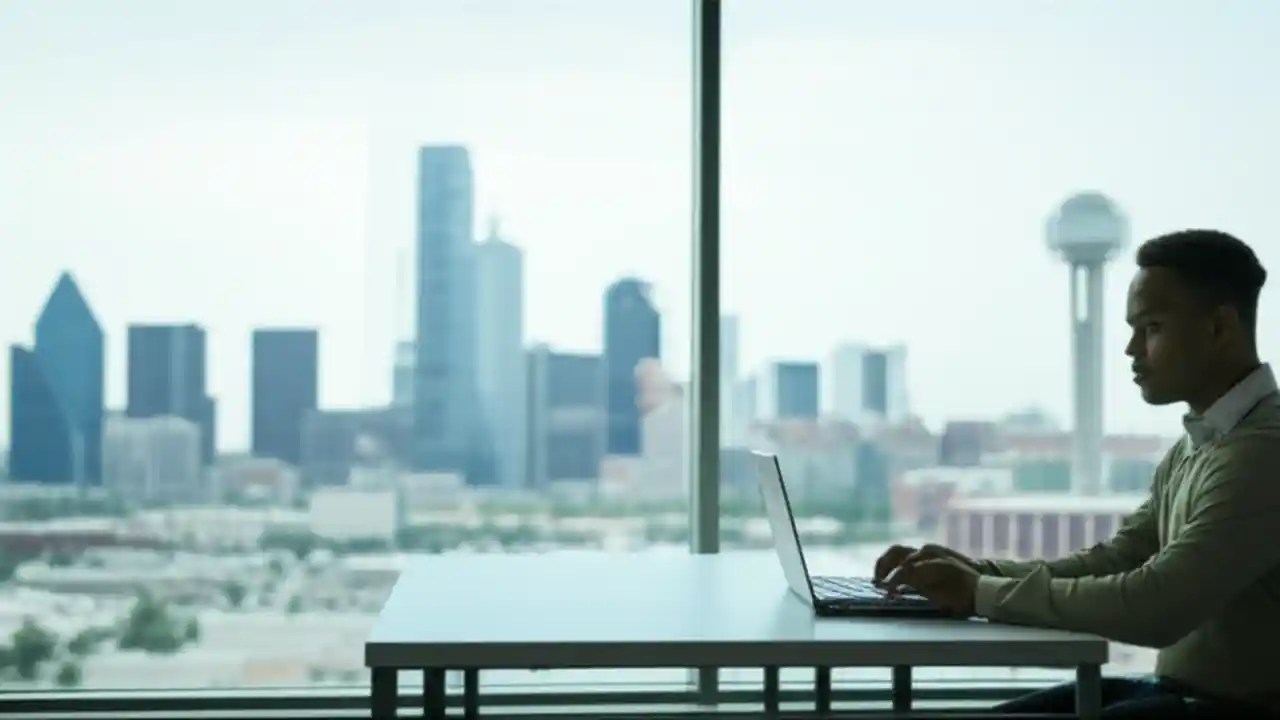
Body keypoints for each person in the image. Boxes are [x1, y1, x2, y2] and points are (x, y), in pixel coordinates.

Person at [874, 229, 1280, 718]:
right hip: (1177, 693)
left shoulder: (1263, 450)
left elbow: (1159, 605)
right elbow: (1119, 559)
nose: (1131, 349)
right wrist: (977, 573)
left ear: (1219, 327)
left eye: (1151, 328)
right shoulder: (1199, 443)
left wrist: (979, 593)